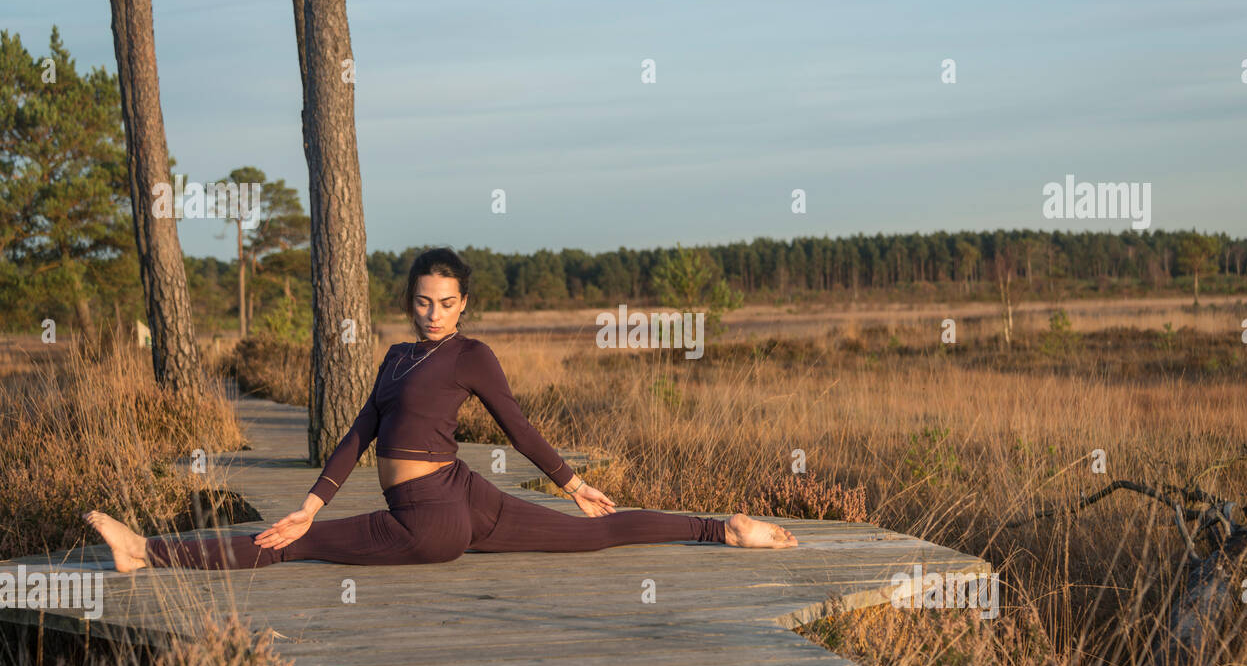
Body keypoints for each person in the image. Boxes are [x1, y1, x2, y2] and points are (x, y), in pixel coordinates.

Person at [84, 248, 797, 572]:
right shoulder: (396, 357)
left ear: (464, 305)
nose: (433, 313)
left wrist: (572, 482)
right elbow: (359, 432)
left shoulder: (471, 354)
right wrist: (308, 499)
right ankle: (722, 529)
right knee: (589, 541)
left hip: (434, 514)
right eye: (423, 302)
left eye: (446, 303)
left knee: (290, 547)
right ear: (410, 303)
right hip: (457, 499)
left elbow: (516, 423)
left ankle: (145, 551)